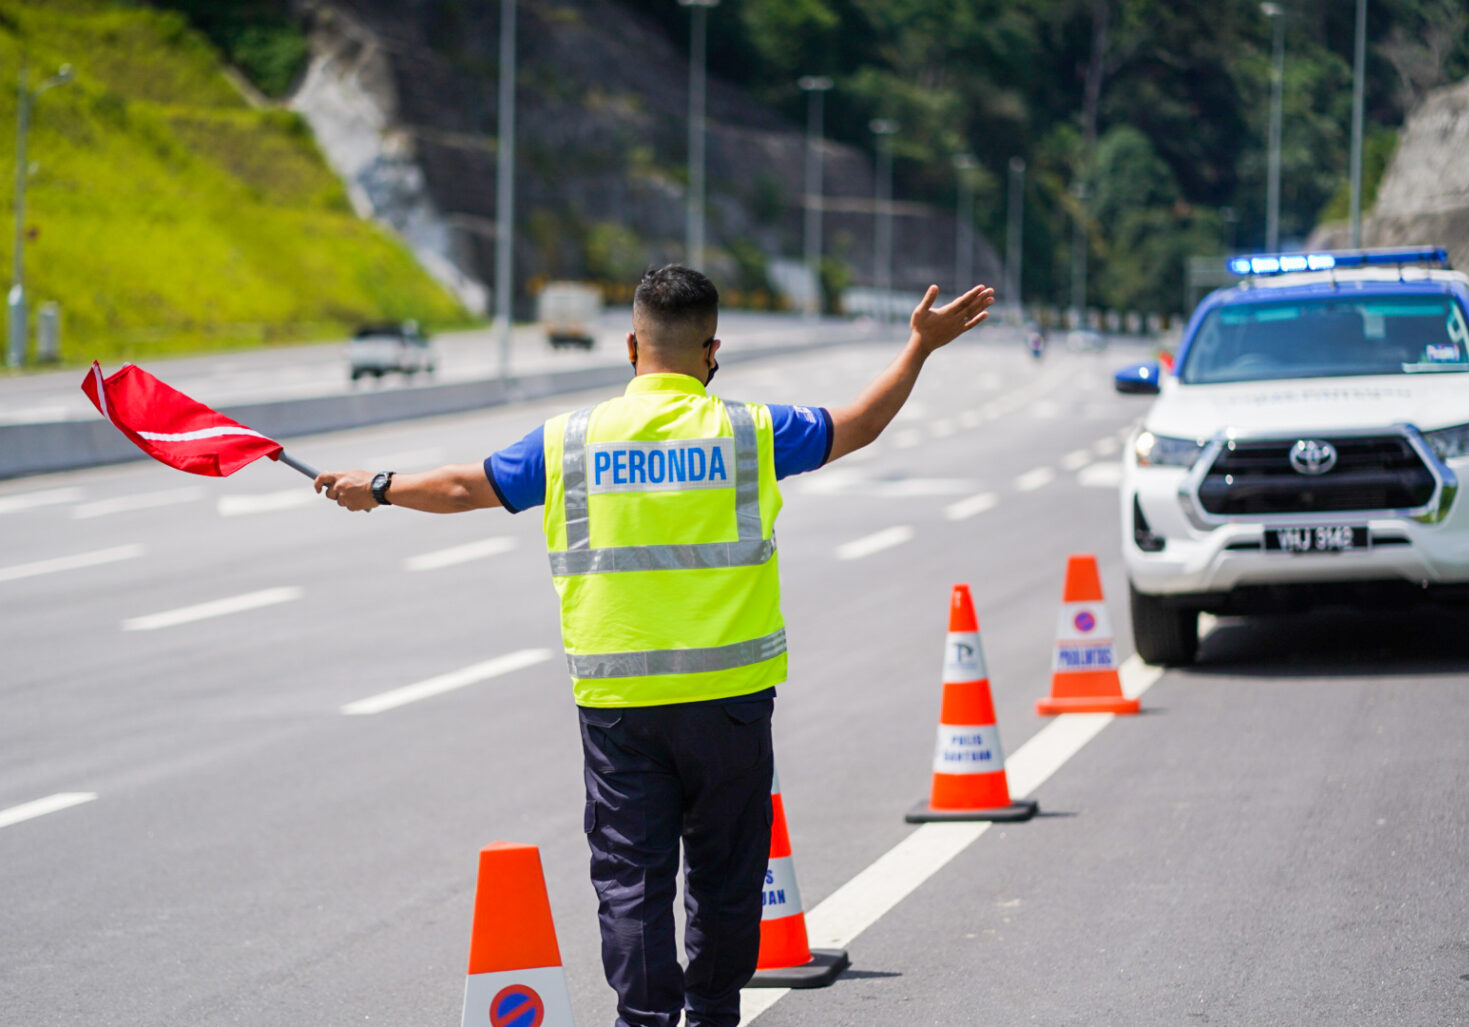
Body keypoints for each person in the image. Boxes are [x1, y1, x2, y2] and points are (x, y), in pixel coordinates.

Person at [315, 265, 993, 1027]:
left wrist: (378, 485)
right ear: (712, 350)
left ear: (632, 345)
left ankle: (643, 1020)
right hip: (730, 704)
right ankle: (713, 1014)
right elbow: (860, 422)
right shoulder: (750, 431)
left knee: (632, 880)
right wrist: (918, 347)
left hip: (621, 706)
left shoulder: (571, 440)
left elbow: (462, 487)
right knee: (727, 874)